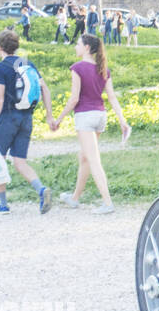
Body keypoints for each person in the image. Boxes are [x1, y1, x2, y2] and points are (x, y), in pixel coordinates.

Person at [51, 33, 132, 214]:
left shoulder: (77, 68)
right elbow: (111, 97)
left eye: (78, 44)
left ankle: (107, 203)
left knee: (93, 159)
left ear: (86, 47)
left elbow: (74, 99)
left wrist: (59, 119)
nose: (75, 46)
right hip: (100, 116)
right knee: (85, 157)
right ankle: (74, 199)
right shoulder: (104, 69)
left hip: (85, 117)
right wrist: (122, 120)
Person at [0, 29, 55, 214]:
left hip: (7, 118)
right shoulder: (27, 64)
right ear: (16, 47)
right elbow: (45, 89)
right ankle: (41, 190)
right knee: (20, 161)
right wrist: (49, 115)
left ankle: (3, 204)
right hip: (26, 118)